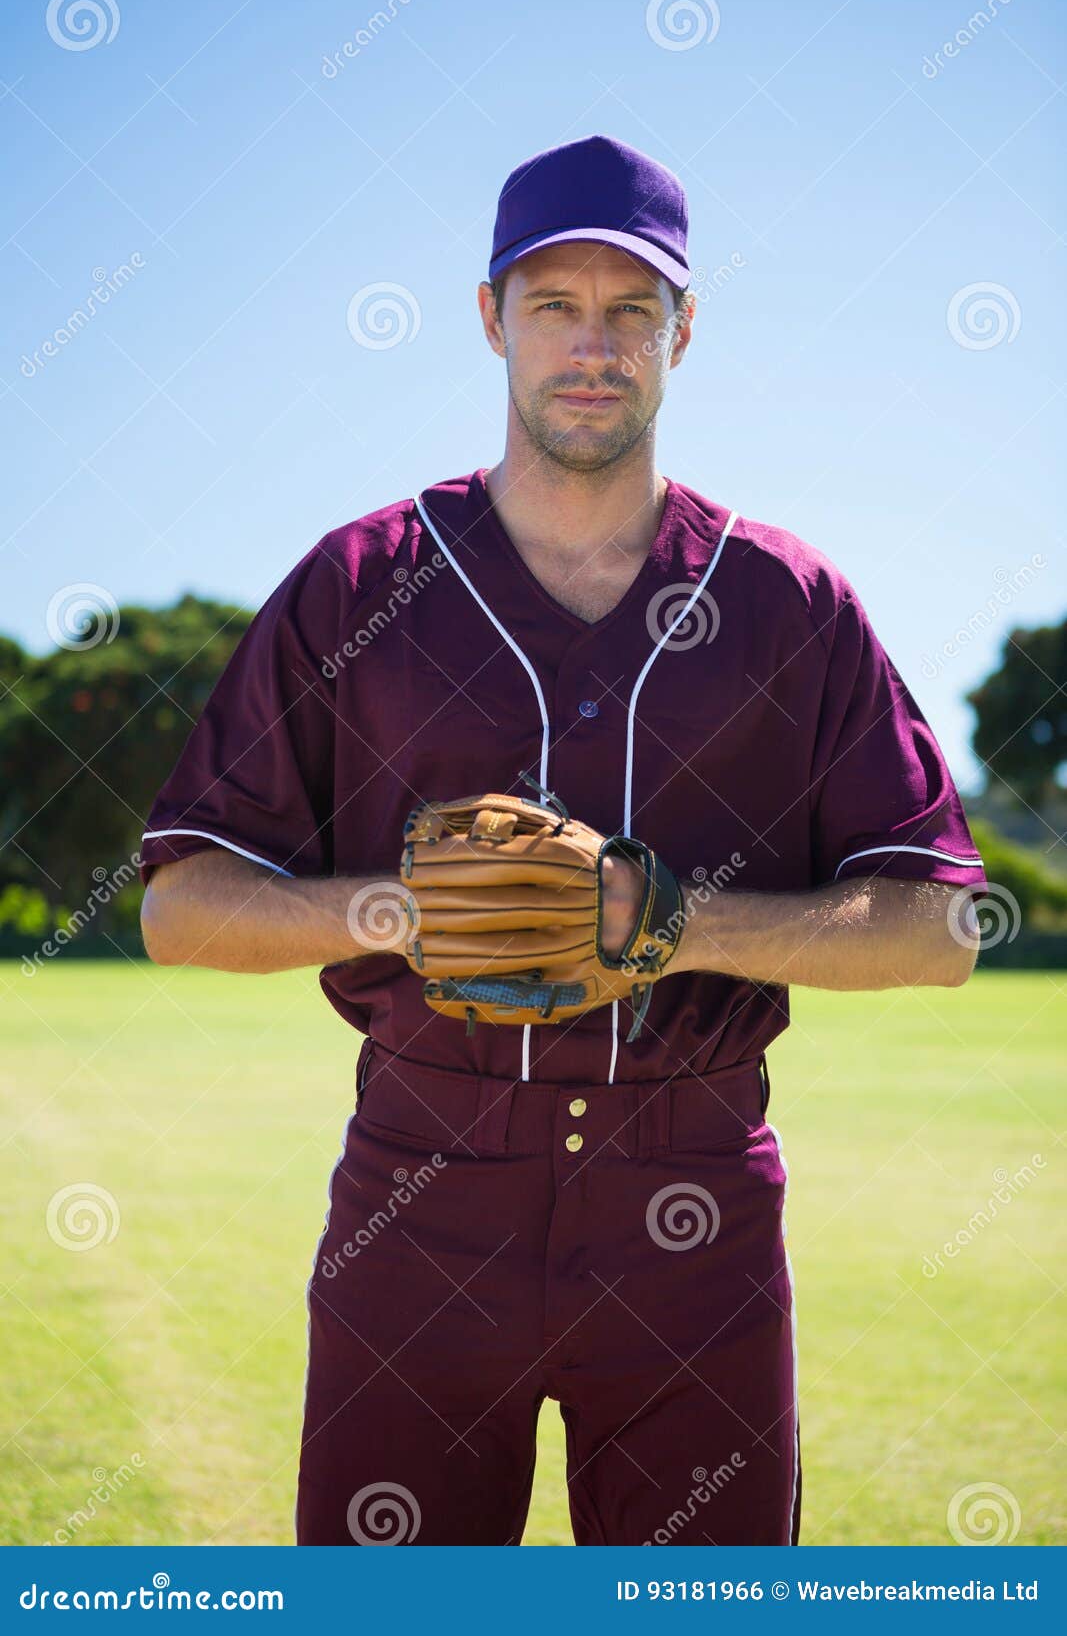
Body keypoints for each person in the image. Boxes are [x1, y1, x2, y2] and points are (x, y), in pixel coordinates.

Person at [139, 134, 987, 1546]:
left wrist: (668, 922)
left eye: (630, 311)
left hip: (694, 1207)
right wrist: (406, 911)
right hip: (420, 1190)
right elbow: (178, 904)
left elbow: (944, 928)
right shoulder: (363, 582)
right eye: (554, 307)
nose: (591, 348)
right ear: (491, 319)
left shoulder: (787, 602)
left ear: (684, 331)